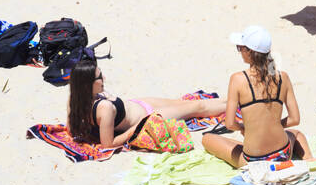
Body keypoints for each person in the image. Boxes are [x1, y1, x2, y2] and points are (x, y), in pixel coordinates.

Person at [201, 26, 313, 167]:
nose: (240, 52)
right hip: (282, 154)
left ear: (250, 51)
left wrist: (244, 128)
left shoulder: (238, 79)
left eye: (240, 48)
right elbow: (294, 119)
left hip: (253, 161)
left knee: (208, 139)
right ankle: (309, 159)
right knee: (296, 134)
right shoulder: (283, 77)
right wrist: (275, 125)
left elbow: (229, 123)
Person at [65, 57, 226, 147]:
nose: (104, 79)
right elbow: (108, 144)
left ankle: (233, 99)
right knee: (197, 107)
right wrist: (135, 129)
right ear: (87, 84)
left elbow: (70, 128)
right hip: (147, 117)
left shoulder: (75, 100)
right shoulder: (104, 108)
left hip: (138, 104)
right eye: (99, 77)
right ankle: (240, 101)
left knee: (181, 102)